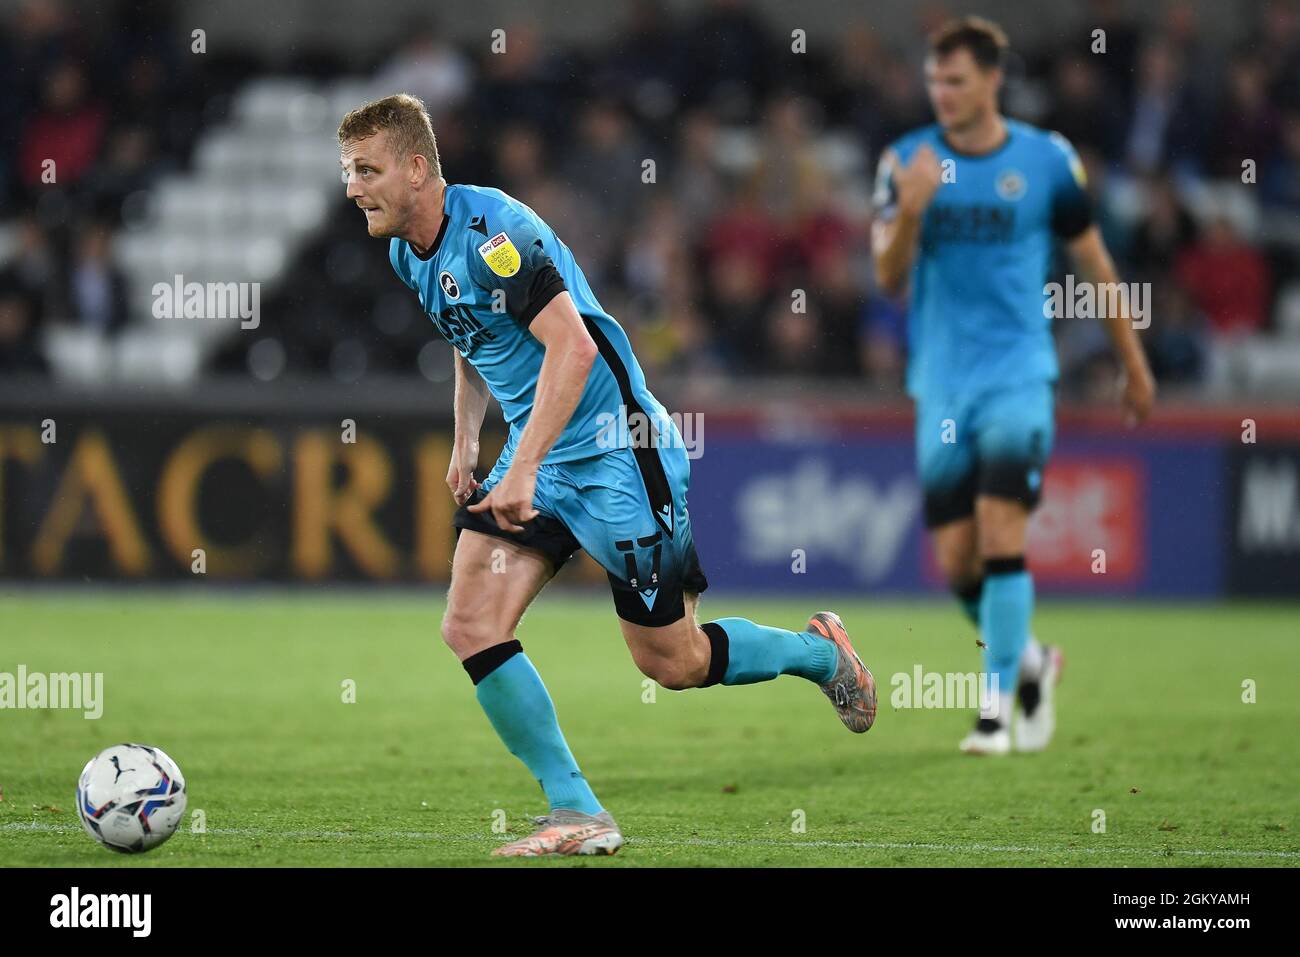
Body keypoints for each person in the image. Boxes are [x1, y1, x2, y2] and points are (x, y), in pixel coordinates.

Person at [337, 93, 877, 857]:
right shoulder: (404, 249)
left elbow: (576, 349)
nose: (353, 187)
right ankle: (577, 809)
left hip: (620, 451)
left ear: (417, 169)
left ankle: (820, 653)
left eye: (367, 169)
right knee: (469, 623)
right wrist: (466, 437)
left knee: (673, 662)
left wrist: (519, 468)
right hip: (538, 452)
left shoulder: (498, 235)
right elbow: (472, 332)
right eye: (348, 171)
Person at [871, 18, 1155, 755]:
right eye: (935, 80)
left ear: (994, 80)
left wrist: (1134, 361)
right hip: (940, 384)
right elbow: (887, 277)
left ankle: (995, 709)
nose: (944, 93)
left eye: (957, 80)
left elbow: (1095, 265)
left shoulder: (1046, 160)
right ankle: (1031, 657)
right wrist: (911, 210)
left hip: (1019, 375)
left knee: (1003, 532)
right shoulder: (905, 161)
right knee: (959, 561)